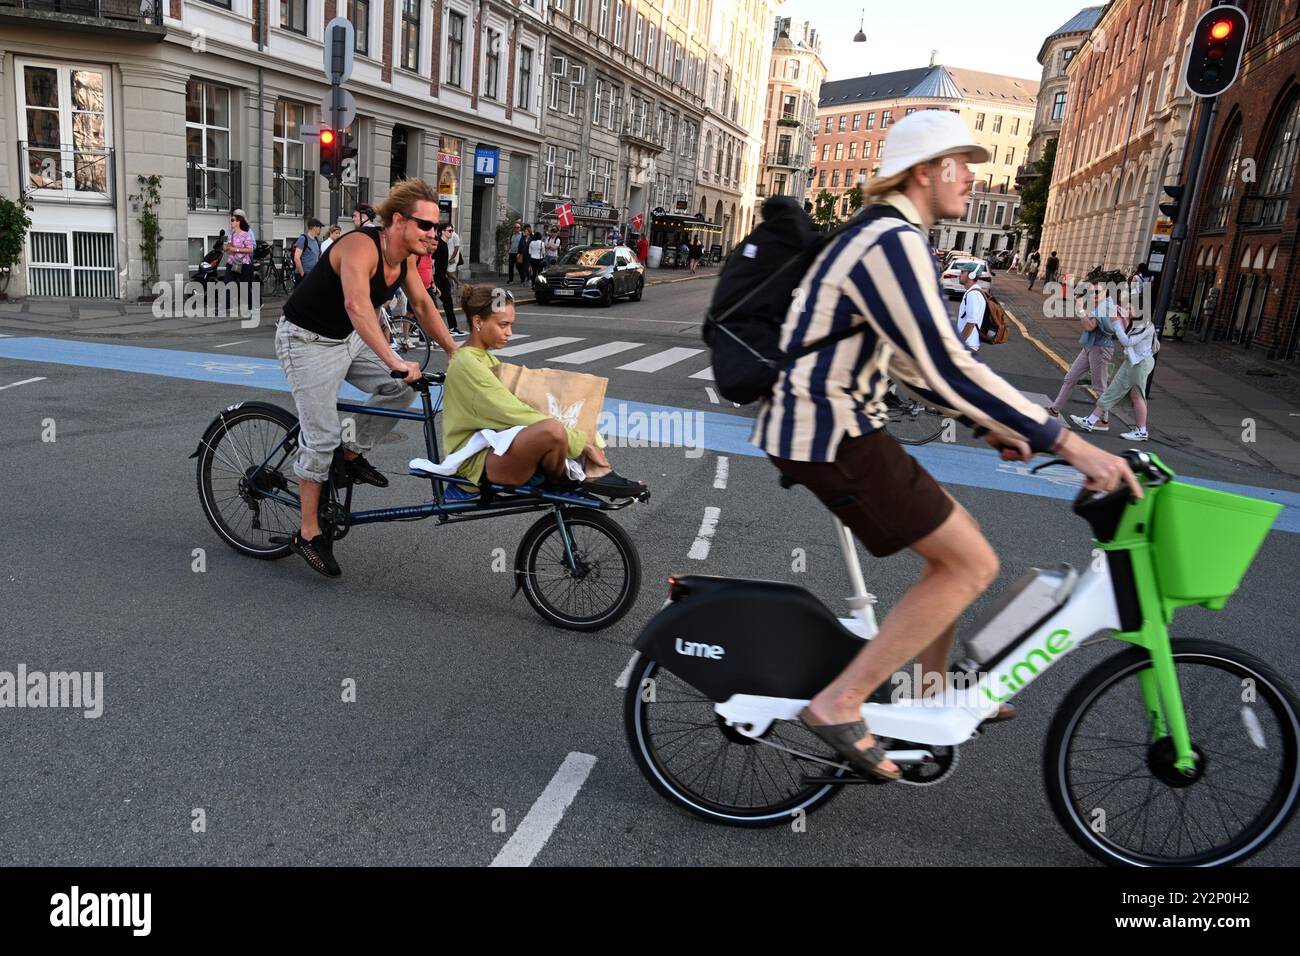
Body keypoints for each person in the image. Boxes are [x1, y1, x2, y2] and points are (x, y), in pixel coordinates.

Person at [754, 109, 1139, 781]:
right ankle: (840, 702)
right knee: (969, 564)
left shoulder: (883, 236)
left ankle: (929, 697)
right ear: (925, 171)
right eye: (961, 164)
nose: (971, 177)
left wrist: (994, 425)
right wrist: (1068, 443)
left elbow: (907, 362)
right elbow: (947, 365)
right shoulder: (891, 243)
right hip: (829, 430)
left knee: (955, 548)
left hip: (832, 426)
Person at [274, 178, 458, 577]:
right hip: (306, 341)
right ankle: (308, 533)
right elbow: (357, 305)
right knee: (321, 436)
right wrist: (393, 357)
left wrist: (454, 350)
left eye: (438, 226)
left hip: (347, 339)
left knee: (401, 389)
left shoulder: (404, 258)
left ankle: (350, 453)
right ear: (397, 221)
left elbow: (424, 304)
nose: (434, 234)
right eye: (425, 226)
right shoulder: (360, 246)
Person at [440, 285, 646, 498]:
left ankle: (593, 471)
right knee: (553, 429)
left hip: (497, 448)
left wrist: (587, 438)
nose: (509, 332)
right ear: (478, 322)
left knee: (571, 413)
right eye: (503, 325)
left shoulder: (486, 358)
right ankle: (574, 477)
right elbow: (512, 411)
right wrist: (582, 444)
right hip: (474, 461)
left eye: (511, 325)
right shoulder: (466, 362)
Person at [1071, 306, 1156, 442]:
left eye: (1129, 307)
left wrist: (1116, 322)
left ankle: (1092, 421)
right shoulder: (1138, 323)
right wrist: (1121, 319)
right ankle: (1093, 421)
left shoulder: (1145, 326)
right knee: (1135, 395)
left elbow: (1127, 342)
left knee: (1119, 392)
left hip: (1138, 363)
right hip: (1134, 362)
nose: (1126, 309)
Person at [1046, 284, 1115, 428]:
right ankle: (1054, 410)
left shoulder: (1105, 307)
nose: (1094, 294)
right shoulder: (1098, 304)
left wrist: (1080, 309)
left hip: (1100, 349)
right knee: (1070, 378)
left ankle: (1103, 420)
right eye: (1091, 292)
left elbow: (1089, 326)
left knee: (1099, 387)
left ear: (1106, 291)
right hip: (1090, 347)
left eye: (1097, 291)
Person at [433, 222, 463, 335]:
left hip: (442, 277)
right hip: (437, 278)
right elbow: (432, 262)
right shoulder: (439, 244)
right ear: (443, 232)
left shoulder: (444, 244)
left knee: (446, 303)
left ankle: (452, 327)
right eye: (449, 230)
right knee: (445, 302)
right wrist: (432, 280)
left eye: (452, 230)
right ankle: (452, 327)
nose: (451, 232)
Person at [954, 265, 989, 352]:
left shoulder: (973, 294)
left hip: (967, 345)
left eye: (962, 272)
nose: (959, 274)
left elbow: (971, 322)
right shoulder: (974, 292)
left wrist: (960, 342)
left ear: (971, 275)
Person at [223, 212, 255, 288]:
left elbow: (251, 250)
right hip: (231, 263)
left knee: (244, 288)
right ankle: (229, 299)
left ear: (238, 222)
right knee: (228, 286)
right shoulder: (230, 234)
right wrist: (225, 246)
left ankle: (249, 299)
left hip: (243, 264)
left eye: (232, 220)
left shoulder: (245, 234)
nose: (230, 222)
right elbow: (227, 248)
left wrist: (236, 249)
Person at [293, 218, 323, 288]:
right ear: (313, 227)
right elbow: (296, 258)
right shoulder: (303, 238)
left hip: (313, 275)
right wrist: (303, 275)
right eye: (319, 227)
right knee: (300, 298)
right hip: (303, 276)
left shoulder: (316, 240)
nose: (320, 229)